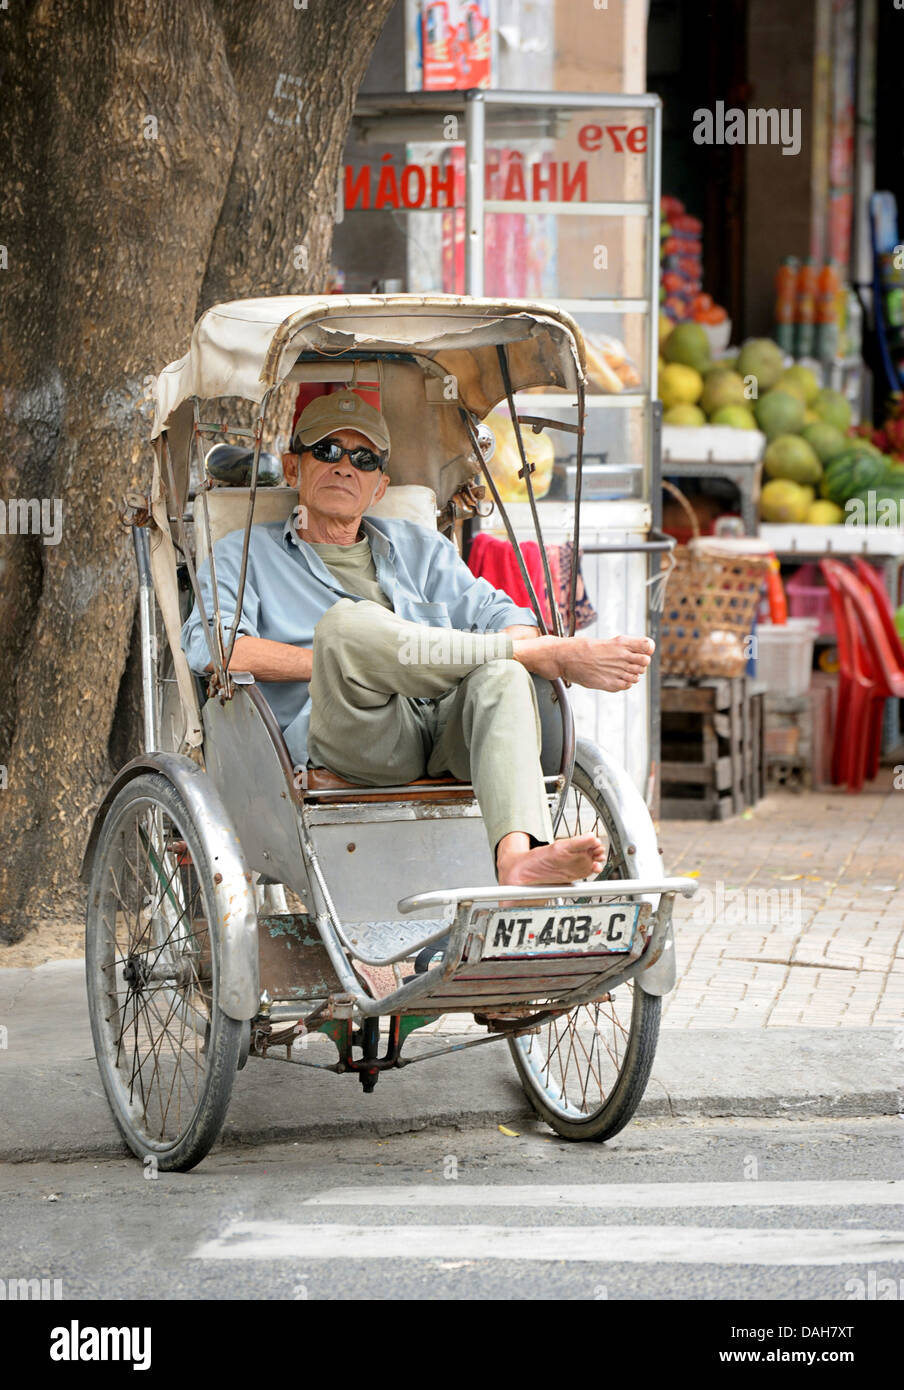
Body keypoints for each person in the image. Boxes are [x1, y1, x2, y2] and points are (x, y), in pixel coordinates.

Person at [182, 390, 654, 889]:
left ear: (379, 486)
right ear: (293, 468)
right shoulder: (244, 553)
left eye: (363, 459)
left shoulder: (418, 548)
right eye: (326, 450)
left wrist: (515, 645)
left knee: (504, 672)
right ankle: (544, 658)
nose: (344, 466)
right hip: (354, 735)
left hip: (441, 727)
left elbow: (508, 616)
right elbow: (219, 649)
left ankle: (518, 856)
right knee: (346, 626)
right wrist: (337, 661)